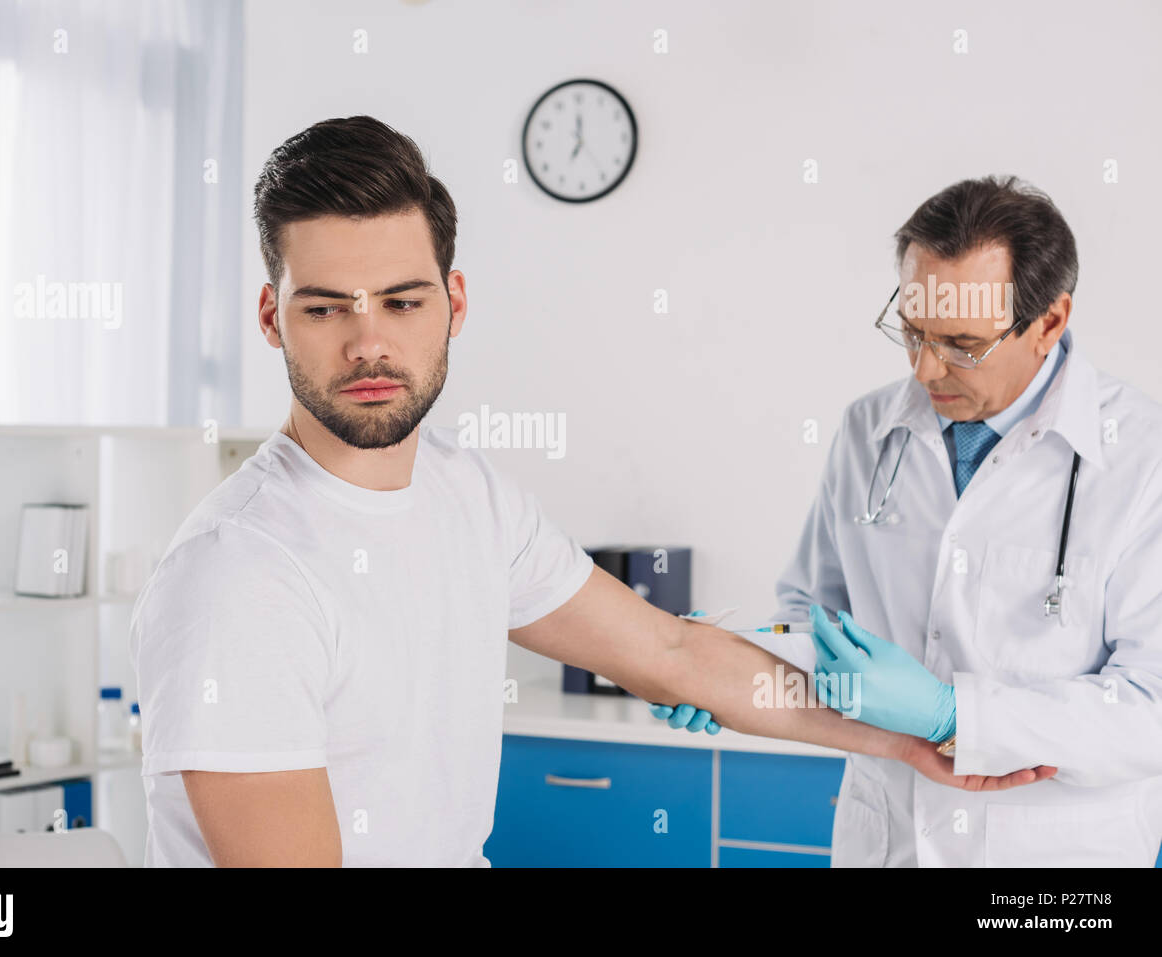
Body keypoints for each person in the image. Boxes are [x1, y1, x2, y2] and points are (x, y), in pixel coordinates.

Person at [130, 121, 1049, 867]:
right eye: (326, 307)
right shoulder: (241, 577)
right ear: (269, 316)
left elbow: (671, 652)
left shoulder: (467, 495)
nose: (368, 344)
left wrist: (904, 742)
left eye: (401, 302)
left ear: (454, 302)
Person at [656, 176, 1162, 867]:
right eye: (911, 333)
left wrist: (958, 715)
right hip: (887, 840)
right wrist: (735, 671)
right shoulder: (870, 428)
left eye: (960, 343)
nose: (925, 369)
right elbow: (815, 619)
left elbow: (1149, 710)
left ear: (1049, 322)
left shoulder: (1141, 455)